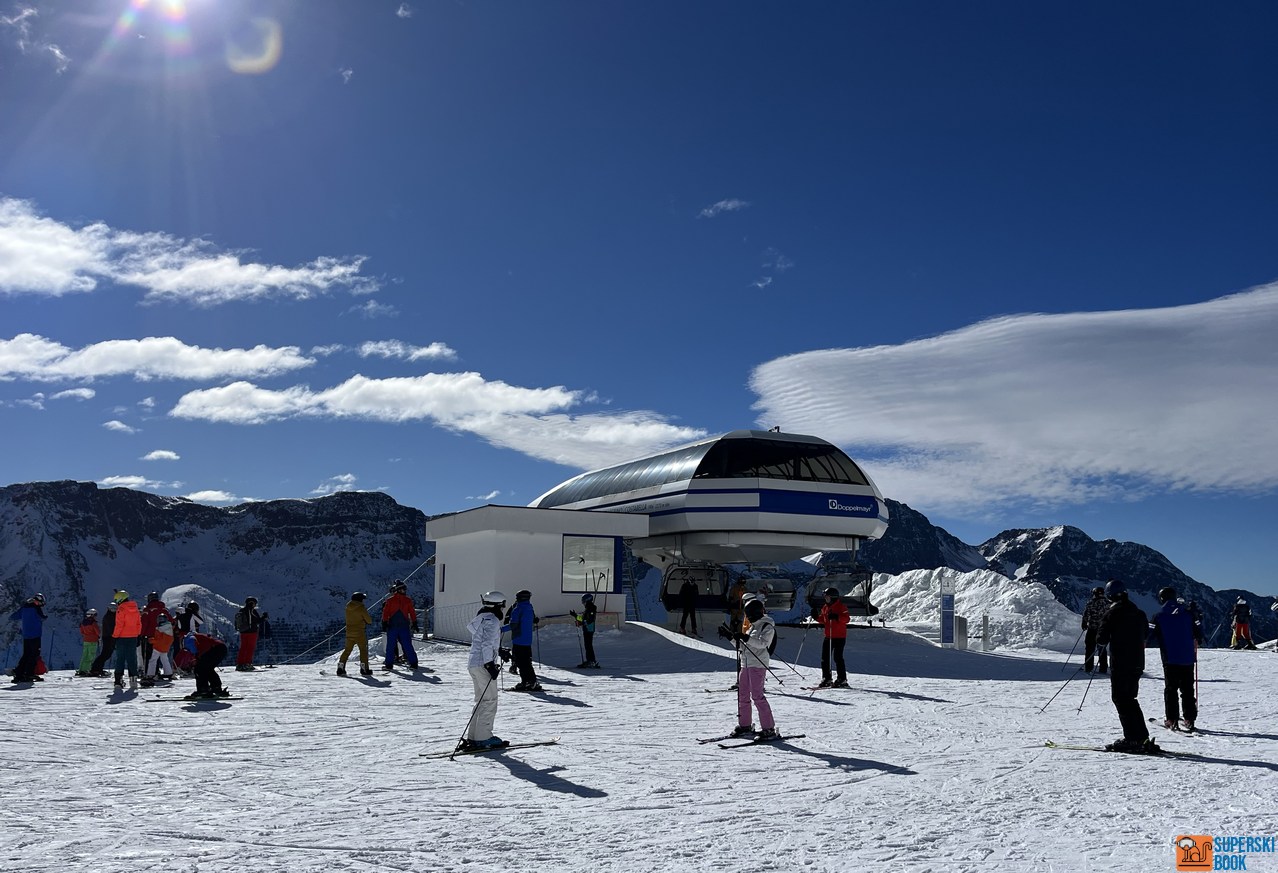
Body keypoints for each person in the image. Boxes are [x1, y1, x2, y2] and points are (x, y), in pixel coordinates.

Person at [1096, 579, 1159, 754]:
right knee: (1130, 699)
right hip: (1137, 662)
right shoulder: (1139, 613)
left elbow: (1101, 639)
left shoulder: (1112, 613)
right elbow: (1146, 634)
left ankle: (1132, 739)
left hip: (1120, 662)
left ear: (1109, 596)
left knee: (1121, 699)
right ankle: (1141, 737)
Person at [719, 594, 779, 740]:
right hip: (745, 664)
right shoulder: (753, 628)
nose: (748, 618)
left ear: (757, 613)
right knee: (743, 695)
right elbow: (744, 647)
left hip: (758, 665)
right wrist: (731, 637)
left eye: (750, 615)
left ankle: (769, 728)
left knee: (757, 696)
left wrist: (746, 638)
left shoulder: (767, 626)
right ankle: (745, 724)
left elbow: (762, 644)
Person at [462, 591, 512, 751]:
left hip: (474, 664)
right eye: (502, 605)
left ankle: (474, 736)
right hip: (483, 664)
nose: (503, 609)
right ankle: (483, 738)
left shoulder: (481, 619)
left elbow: (483, 640)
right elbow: (485, 643)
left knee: (481, 700)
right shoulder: (492, 620)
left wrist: (499, 650)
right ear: (497, 605)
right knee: (489, 700)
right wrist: (490, 664)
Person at [1149, 586, 1202, 731]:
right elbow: (1199, 632)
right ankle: (1189, 719)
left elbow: (1149, 635)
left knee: (1171, 690)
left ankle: (1172, 719)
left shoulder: (1158, 615)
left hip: (1170, 658)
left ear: (1161, 598)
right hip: (1188, 658)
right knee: (1187, 690)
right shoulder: (1188, 613)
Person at [813, 586, 850, 688]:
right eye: (825, 597)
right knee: (825, 658)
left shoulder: (841, 607)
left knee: (838, 658)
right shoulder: (825, 607)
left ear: (833, 597)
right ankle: (827, 678)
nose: (826, 599)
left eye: (827, 597)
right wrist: (816, 617)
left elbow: (846, 619)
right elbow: (825, 620)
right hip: (828, 636)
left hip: (839, 636)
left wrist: (837, 617)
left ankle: (842, 679)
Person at [505, 589, 541, 692]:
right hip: (527, 640)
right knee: (527, 662)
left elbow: (513, 625)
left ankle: (526, 682)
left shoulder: (517, 609)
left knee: (521, 662)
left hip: (518, 639)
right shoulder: (530, 608)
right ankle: (532, 681)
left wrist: (501, 629)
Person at [381, 581, 420, 671]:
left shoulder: (391, 600)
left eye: (405, 589)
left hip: (395, 626)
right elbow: (412, 612)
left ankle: (389, 664)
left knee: (393, 645)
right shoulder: (407, 600)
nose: (404, 591)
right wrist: (414, 622)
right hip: (401, 626)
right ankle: (413, 663)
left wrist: (385, 622)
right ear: (398, 590)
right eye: (403, 589)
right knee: (404, 645)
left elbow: (385, 612)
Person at [9, 593, 47, 683]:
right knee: (34, 655)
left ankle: (19, 673)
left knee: (26, 654)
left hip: (26, 635)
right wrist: (45, 617)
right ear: (37, 601)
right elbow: (42, 618)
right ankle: (29, 674)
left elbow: (13, 617)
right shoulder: (36, 609)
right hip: (35, 635)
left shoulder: (24, 608)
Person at [183, 630, 231, 699]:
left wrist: (197, 659)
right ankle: (216, 687)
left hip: (214, 649)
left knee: (199, 669)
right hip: (220, 648)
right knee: (208, 668)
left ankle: (203, 690)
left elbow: (195, 650)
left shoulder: (187, 640)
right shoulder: (195, 636)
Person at [112, 590, 143, 692]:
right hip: (133, 637)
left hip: (122, 637)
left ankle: (118, 681)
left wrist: (114, 636)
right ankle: (133, 680)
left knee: (120, 659)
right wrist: (137, 635)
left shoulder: (121, 609)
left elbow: (119, 625)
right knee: (132, 659)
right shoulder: (135, 609)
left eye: (116, 599)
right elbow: (139, 624)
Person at [338, 591, 375, 677]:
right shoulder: (361, 608)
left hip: (349, 632)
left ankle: (341, 667)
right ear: (359, 600)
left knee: (347, 650)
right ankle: (364, 669)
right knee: (363, 650)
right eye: (362, 599)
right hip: (359, 633)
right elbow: (369, 620)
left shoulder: (348, 607)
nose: (363, 600)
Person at [1081, 586, 1109, 674]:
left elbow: (1086, 615)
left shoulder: (1091, 603)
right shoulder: (1107, 603)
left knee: (1089, 648)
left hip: (1092, 629)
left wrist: (1084, 623)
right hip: (1103, 630)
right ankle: (1103, 668)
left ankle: (1088, 667)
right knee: (1102, 649)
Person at [143, 611, 176, 684]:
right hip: (165, 647)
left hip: (158, 646)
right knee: (164, 659)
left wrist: (151, 640)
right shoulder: (169, 627)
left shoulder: (161, 628)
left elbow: (159, 639)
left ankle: (150, 674)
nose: (160, 621)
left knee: (153, 660)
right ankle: (168, 673)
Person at [88, 601, 118, 677]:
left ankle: (97, 668)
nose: (114, 610)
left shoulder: (109, 616)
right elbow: (111, 628)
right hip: (109, 637)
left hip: (108, 637)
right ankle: (96, 669)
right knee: (105, 654)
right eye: (113, 609)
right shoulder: (110, 617)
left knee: (106, 654)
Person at [234, 596, 264, 671]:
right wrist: (264, 617)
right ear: (252, 603)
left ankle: (240, 664)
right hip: (252, 632)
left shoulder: (242, 610)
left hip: (243, 632)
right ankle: (247, 663)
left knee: (243, 647)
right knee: (250, 648)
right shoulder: (252, 611)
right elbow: (257, 621)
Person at [572, 593, 600, 668]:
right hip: (587, 628)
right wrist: (575, 616)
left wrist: (583, 623)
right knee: (587, 645)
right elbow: (583, 619)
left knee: (588, 645)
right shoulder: (588, 608)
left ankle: (591, 661)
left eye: (583, 601)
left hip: (589, 629)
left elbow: (589, 619)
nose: (583, 603)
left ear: (587, 600)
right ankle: (590, 660)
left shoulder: (591, 608)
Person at [76, 609, 101, 676]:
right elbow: (98, 632)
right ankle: (87, 669)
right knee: (91, 656)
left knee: (84, 655)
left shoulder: (83, 623)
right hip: (93, 641)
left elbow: (82, 632)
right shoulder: (93, 623)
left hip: (86, 641)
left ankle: (81, 669)